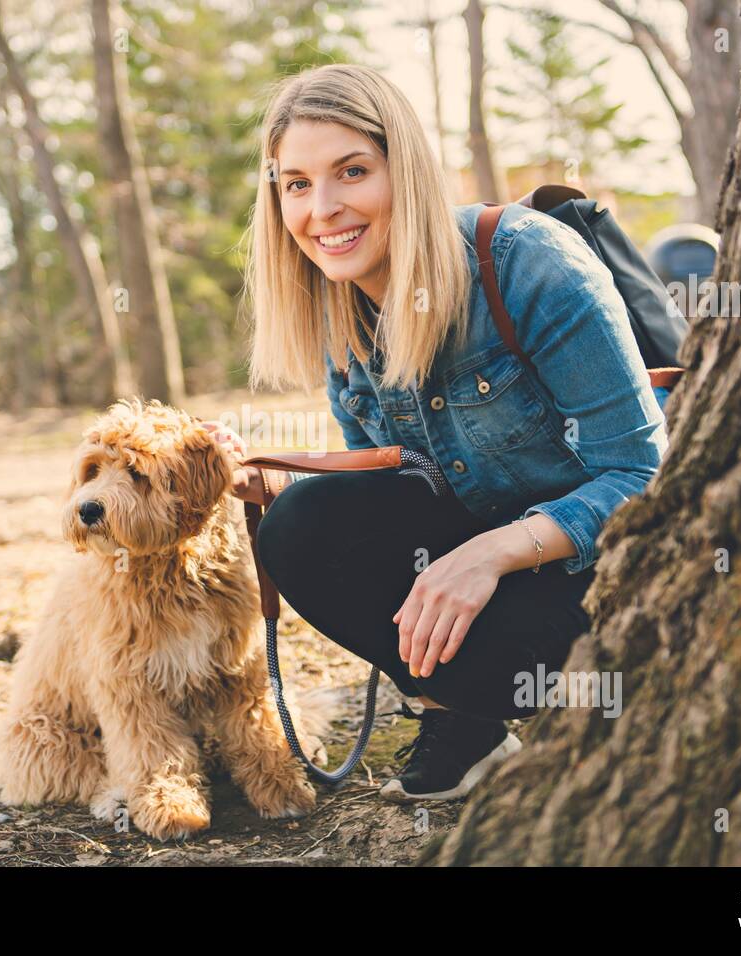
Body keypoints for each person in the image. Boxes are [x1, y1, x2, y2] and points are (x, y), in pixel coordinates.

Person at [203, 63, 667, 802]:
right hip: (498, 576)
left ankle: (611, 703)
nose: (322, 208)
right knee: (300, 527)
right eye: (296, 183)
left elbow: (648, 479)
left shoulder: (530, 266)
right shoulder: (342, 318)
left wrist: (493, 552)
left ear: (405, 171)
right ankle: (470, 715)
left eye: (350, 172)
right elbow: (401, 488)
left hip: (613, 580)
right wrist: (284, 484)